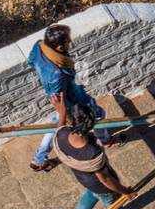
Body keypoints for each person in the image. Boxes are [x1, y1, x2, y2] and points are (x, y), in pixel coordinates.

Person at [55, 100, 147, 209]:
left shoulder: (62, 135)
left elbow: (60, 127)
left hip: (84, 179)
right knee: (114, 208)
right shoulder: (92, 152)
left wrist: (61, 112)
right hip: (102, 186)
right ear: (90, 125)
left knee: (87, 202)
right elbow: (105, 179)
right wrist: (125, 191)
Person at [26, 24, 113, 173]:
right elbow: (60, 98)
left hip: (67, 90)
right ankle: (104, 139)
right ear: (59, 47)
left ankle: (39, 159)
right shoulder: (56, 74)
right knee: (97, 115)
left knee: (56, 122)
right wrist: (67, 114)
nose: (70, 43)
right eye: (67, 41)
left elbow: (31, 61)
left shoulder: (39, 46)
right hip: (71, 98)